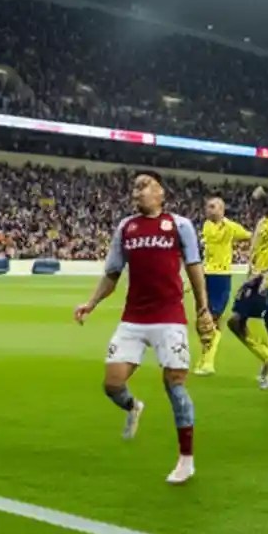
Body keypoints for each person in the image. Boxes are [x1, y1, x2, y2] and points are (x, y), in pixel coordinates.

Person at [73, 170, 214, 485]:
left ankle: (185, 460)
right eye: (134, 187)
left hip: (170, 317)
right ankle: (133, 406)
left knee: (175, 385)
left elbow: (194, 267)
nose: (137, 192)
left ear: (161, 192)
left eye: (144, 186)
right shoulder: (126, 227)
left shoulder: (180, 225)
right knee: (112, 384)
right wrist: (91, 303)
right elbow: (112, 273)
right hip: (133, 318)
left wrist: (202, 307)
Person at [227, 187, 268, 389]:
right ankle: (267, 357)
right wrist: (252, 275)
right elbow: (256, 251)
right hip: (256, 277)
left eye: (262, 202)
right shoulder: (262, 223)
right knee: (235, 322)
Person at [194, 193, 251, 376]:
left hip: (221, 276)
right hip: (206, 274)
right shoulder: (206, 226)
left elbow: (249, 236)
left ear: (222, 209)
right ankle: (205, 358)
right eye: (207, 206)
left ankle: (208, 362)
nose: (208, 209)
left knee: (213, 319)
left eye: (213, 206)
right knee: (202, 320)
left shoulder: (231, 227)